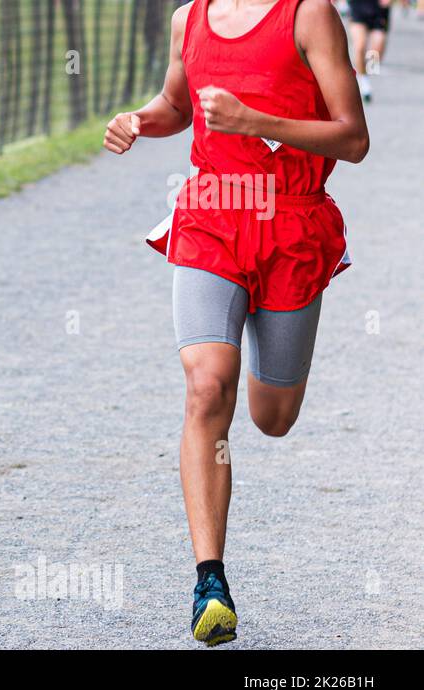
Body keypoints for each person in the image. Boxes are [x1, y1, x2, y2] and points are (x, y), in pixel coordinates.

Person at [104, 0, 368, 646]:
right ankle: (209, 582)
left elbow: (353, 137)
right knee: (206, 386)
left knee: (272, 417)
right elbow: (178, 105)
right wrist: (140, 120)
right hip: (212, 216)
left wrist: (257, 121)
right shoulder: (188, 18)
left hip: (294, 224)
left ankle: (266, 359)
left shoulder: (309, 17)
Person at [347, 0, 395, 101]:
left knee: (376, 53)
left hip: (379, 10)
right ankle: (363, 80)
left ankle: (365, 72)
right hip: (358, 8)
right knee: (360, 46)